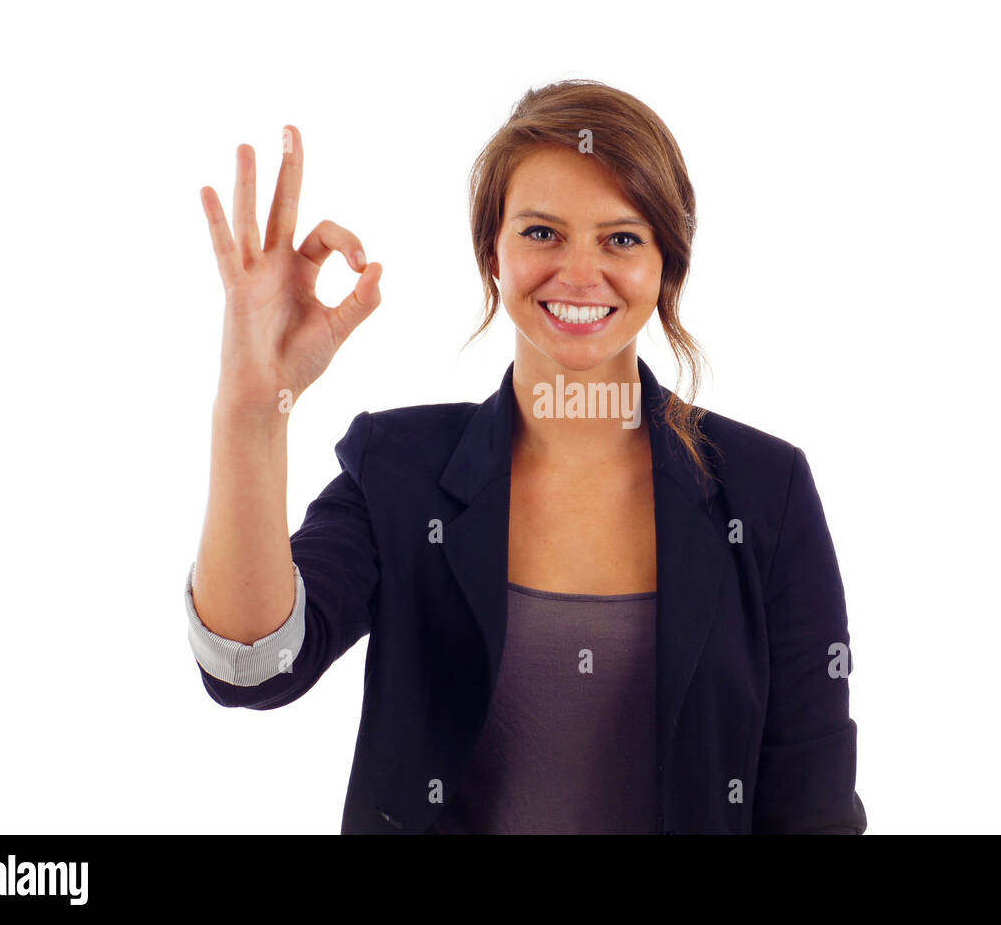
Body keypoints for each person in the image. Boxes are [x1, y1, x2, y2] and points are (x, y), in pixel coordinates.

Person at [186, 79, 867, 835]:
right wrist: (251, 414)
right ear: (493, 257)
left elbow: (813, 810)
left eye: (622, 238)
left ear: (666, 267)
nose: (580, 273)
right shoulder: (397, 472)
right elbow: (252, 667)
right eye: (541, 233)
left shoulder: (765, 492)